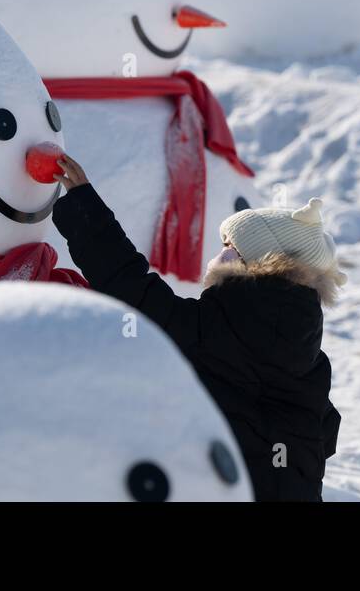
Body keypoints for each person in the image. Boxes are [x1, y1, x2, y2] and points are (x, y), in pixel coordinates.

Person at [52, 154, 344, 502]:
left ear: (254, 264)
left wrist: (85, 206)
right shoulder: (311, 355)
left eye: (228, 247)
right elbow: (326, 430)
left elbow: (130, 286)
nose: (218, 255)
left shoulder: (212, 328)